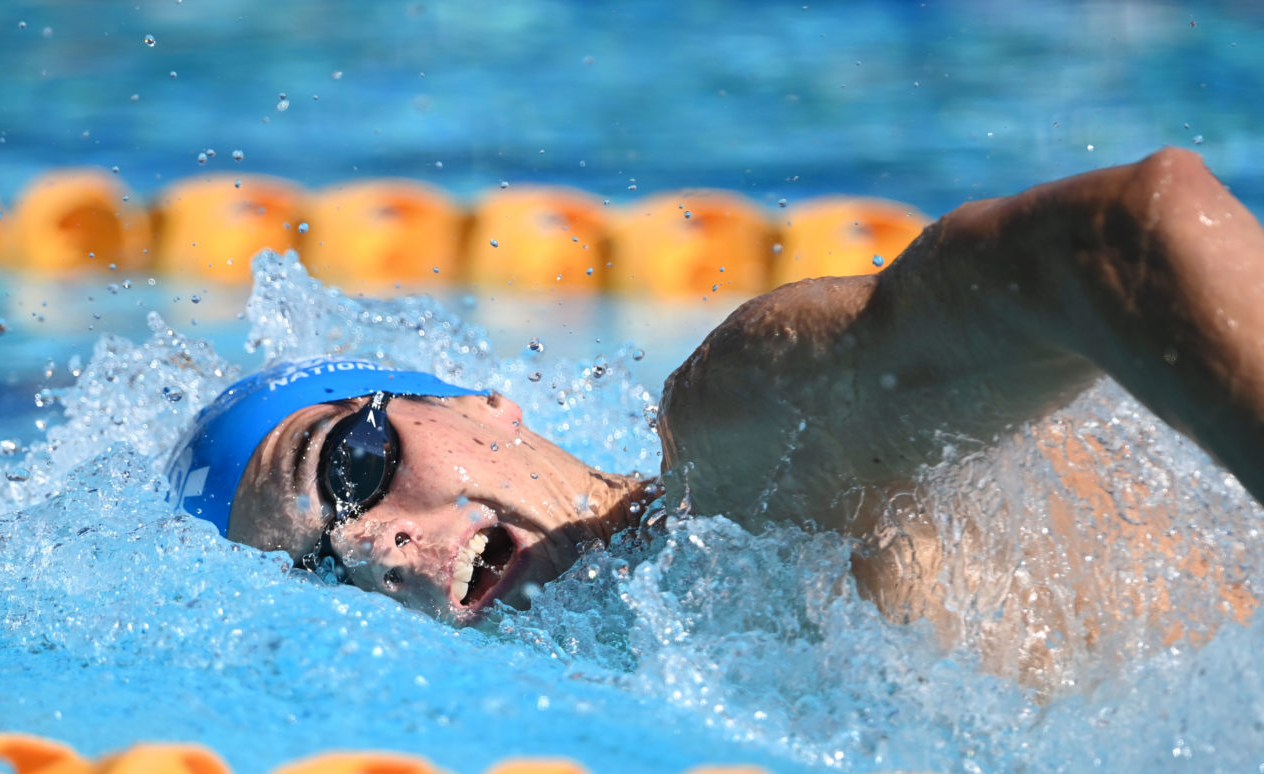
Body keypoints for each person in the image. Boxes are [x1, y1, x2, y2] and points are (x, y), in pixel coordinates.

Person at [167, 148, 1264, 653]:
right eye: (319, 567)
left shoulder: (750, 435)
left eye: (348, 467)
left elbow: (1123, 241)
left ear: (485, 406)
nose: (369, 548)